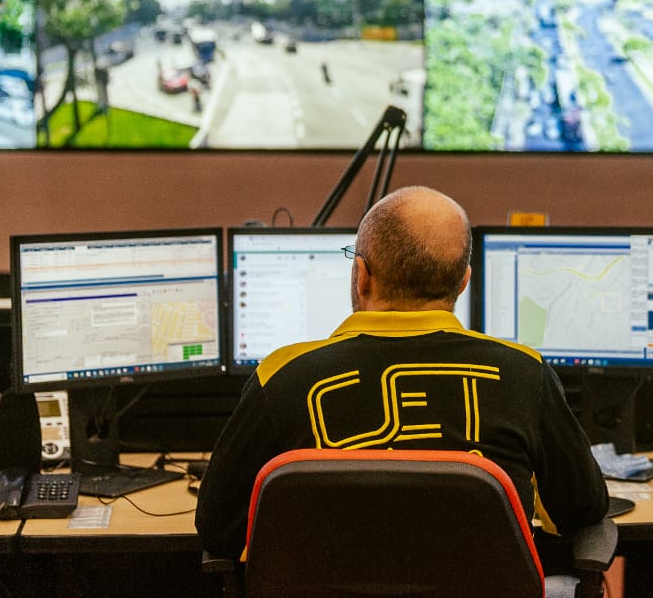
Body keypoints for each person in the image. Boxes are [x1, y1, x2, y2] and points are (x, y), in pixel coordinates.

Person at [195, 185, 608, 562]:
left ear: (362, 275)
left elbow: (219, 530)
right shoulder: (524, 374)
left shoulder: (281, 377)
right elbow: (581, 511)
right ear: (463, 282)